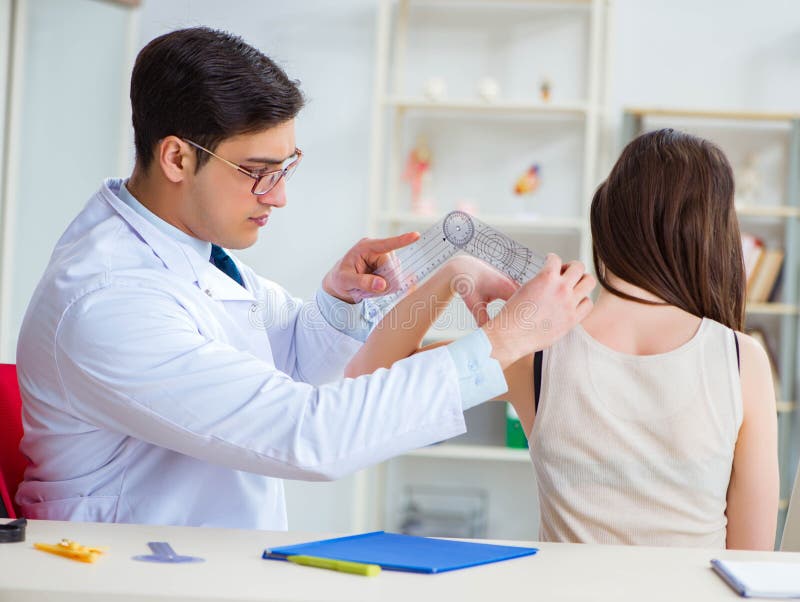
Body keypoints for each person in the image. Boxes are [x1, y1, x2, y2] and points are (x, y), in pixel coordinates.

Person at [14, 27, 595, 529]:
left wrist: (338, 304)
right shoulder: (109, 301)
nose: (281, 197)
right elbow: (307, 433)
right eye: (259, 173)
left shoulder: (188, 248)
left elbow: (283, 360)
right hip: (123, 578)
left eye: (286, 169)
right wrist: (508, 339)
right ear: (176, 159)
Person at [346, 129, 780, 550]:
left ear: (608, 219)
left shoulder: (537, 348)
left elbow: (366, 379)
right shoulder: (743, 361)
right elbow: (750, 564)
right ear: (714, 237)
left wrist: (454, 274)